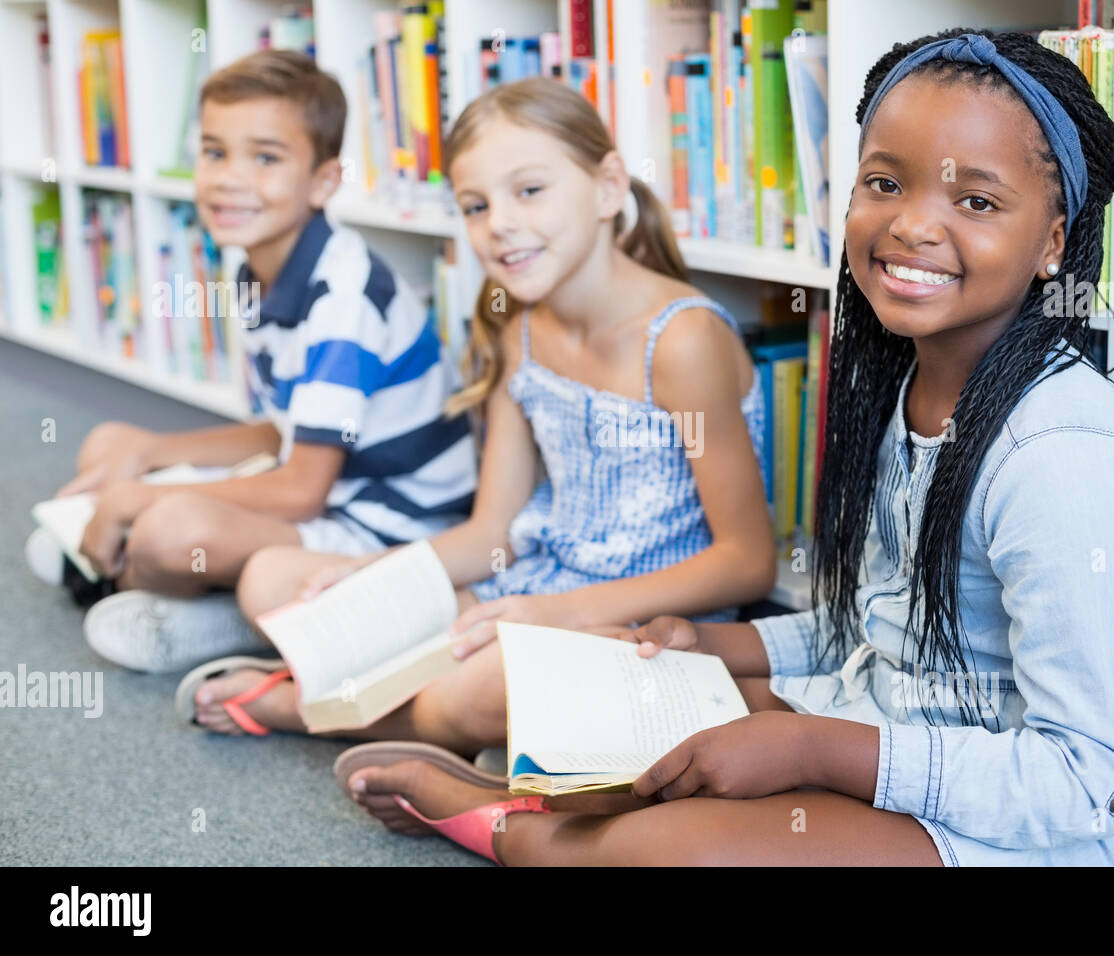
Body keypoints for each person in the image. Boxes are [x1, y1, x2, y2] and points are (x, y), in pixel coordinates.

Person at [336, 30, 1114, 867]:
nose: (912, 226)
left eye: (976, 201)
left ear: (1054, 242)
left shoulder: (1064, 456)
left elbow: (1088, 784)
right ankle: (539, 805)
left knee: (686, 850)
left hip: (1085, 839)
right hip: (916, 731)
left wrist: (809, 748)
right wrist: (716, 648)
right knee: (656, 733)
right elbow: (884, 636)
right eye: (884, 184)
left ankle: (511, 829)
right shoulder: (910, 388)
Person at [182, 77, 775, 742]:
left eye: (529, 191)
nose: (499, 226)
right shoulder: (516, 334)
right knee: (277, 579)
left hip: (647, 619)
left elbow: (747, 561)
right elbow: (491, 532)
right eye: (474, 205)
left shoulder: (683, 339)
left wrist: (558, 613)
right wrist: (373, 575)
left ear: (608, 187)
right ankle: (431, 714)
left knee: (479, 684)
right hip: (532, 582)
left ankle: (295, 706)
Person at [25, 50, 476, 674]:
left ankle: (223, 617)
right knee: (112, 441)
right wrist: (146, 457)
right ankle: (144, 573)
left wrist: (136, 502)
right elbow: (286, 427)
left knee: (169, 532)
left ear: (322, 181)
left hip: (383, 525)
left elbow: (302, 489)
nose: (230, 178)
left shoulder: (344, 297)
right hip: (321, 484)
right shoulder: (255, 265)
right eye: (215, 152)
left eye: (265, 158)